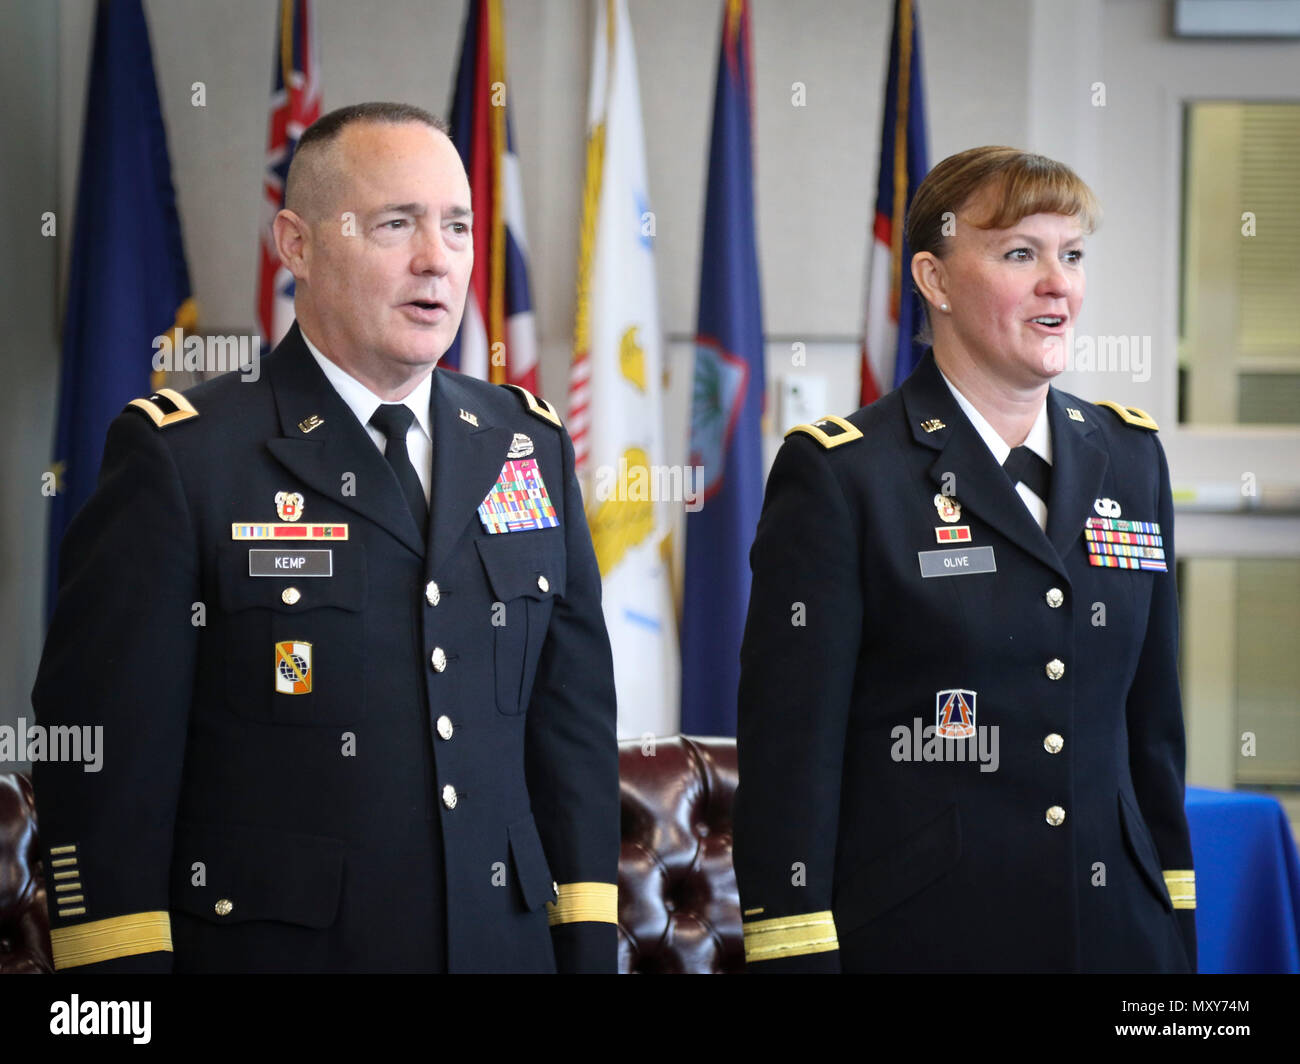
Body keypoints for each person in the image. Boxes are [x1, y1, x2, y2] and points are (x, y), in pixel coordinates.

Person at [32, 102, 619, 973]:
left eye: (457, 226)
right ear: (297, 245)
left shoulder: (523, 443)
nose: (437, 259)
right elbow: (104, 770)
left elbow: (570, 738)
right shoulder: (182, 459)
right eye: (396, 224)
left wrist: (585, 952)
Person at [732, 146, 1197, 973]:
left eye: (1073, 253)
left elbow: (1152, 733)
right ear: (935, 280)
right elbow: (790, 764)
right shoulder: (845, 475)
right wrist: (796, 952)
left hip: (1120, 937)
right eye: (1022, 252)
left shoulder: (1131, 459)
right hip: (928, 939)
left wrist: (1175, 927)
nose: (1059, 282)